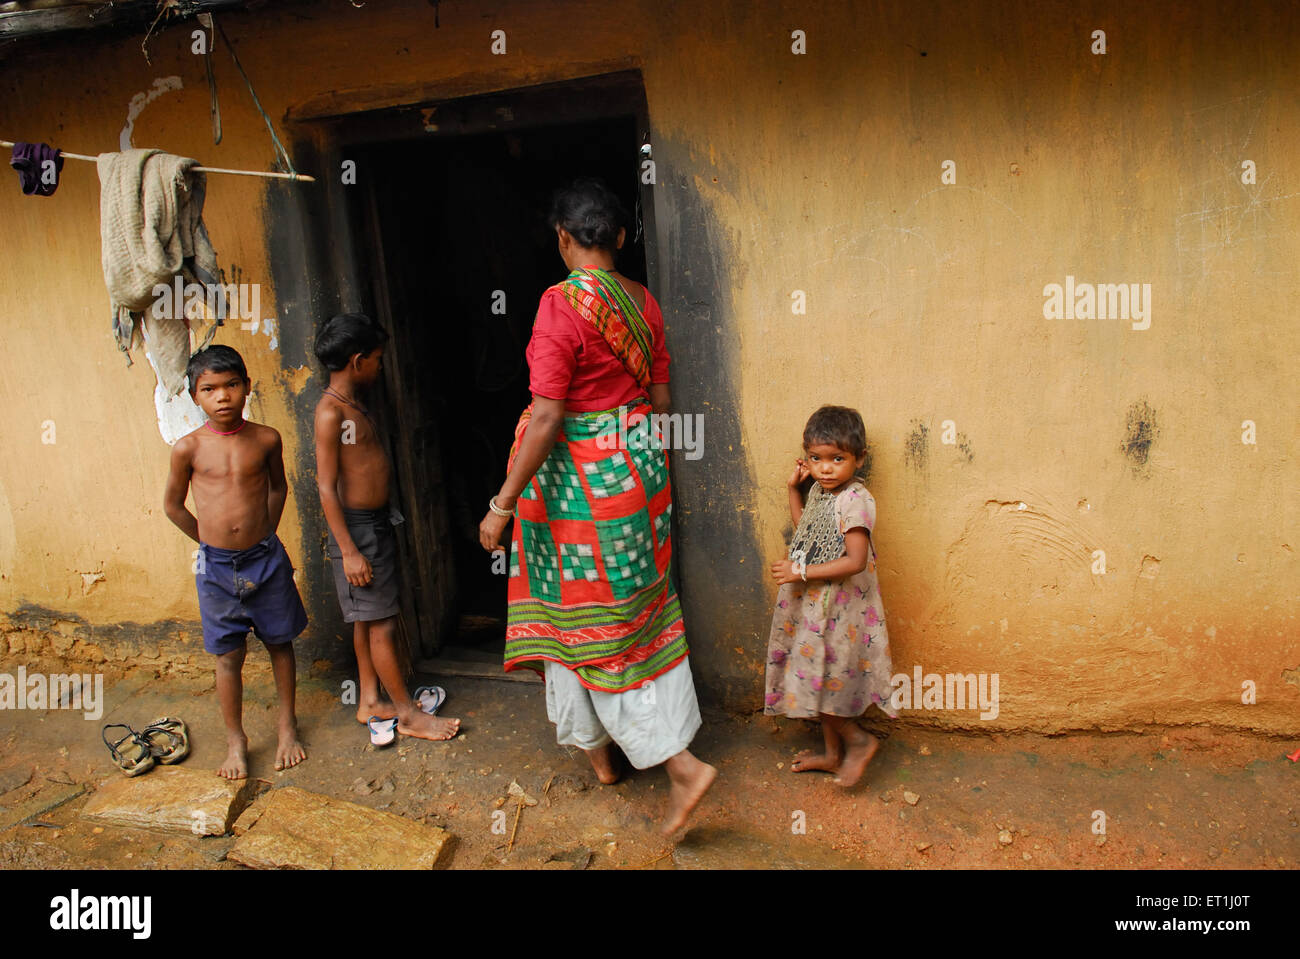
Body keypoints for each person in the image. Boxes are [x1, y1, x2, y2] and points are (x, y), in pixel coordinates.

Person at [478, 177, 716, 835]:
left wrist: (501, 503)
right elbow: (662, 406)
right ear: (618, 238)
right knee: (632, 611)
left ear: (562, 238)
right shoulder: (642, 301)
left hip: (577, 493)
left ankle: (680, 764)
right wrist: (644, 469)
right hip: (638, 475)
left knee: (597, 626)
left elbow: (551, 414)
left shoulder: (559, 306)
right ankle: (600, 753)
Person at [313, 313, 460, 742]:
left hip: (373, 525)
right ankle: (406, 713)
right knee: (382, 624)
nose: (380, 367)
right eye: (376, 359)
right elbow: (325, 487)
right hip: (357, 533)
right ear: (357, 361)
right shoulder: (330, 413)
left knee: (366, 618)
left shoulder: (353, 405)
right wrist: (351, 550)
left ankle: (370, 701)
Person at [163, 345, 307, 779]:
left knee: (280, 644)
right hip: (216, 567)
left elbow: (278, 488)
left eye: (231, 385)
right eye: (209, 388)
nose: (222, 396)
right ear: (195, 396)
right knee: (228, 656)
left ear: (246, 387)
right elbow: (173, 506)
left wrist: (266, 531)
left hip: (266, 559)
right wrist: (209, 543)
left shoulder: (266, 438)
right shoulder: (187, 448)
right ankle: (236, 740)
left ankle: (286, 726)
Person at [765, 405, 898, 787]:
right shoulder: (821, 494)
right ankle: (832, 753)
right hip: (817, 606)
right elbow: (804, 527)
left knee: (826, 678)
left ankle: (858, 741)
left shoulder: (855, 499)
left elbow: (855, 561)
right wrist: (793, 488)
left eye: (837, 459)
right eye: (816, 459)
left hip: (841, 609)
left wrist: (799, 571)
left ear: (859, 459)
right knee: (818, 674)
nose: (825, 468)